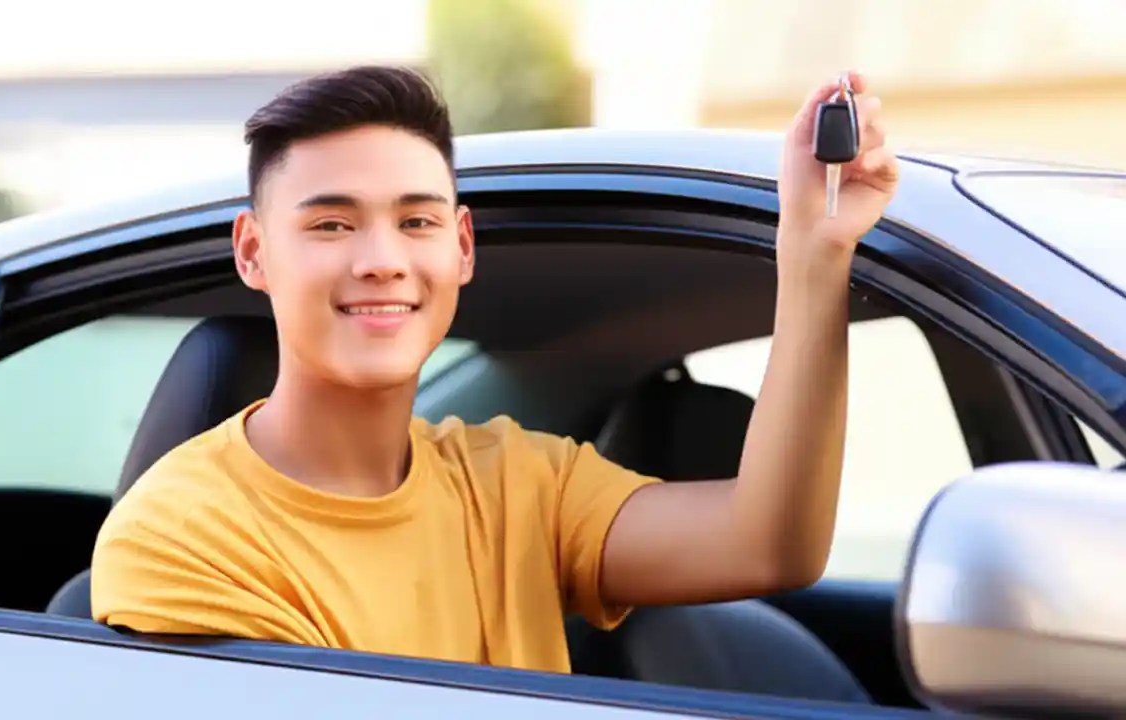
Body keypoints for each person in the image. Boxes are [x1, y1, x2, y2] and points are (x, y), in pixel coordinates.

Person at [89, 65, 898, 673]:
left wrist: (815, 254)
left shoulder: (512, 479)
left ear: (463, 246)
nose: (382, 261)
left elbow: (769, 547)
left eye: (416, 221)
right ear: (254, 253)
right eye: (332, 224)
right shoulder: (176, 538)